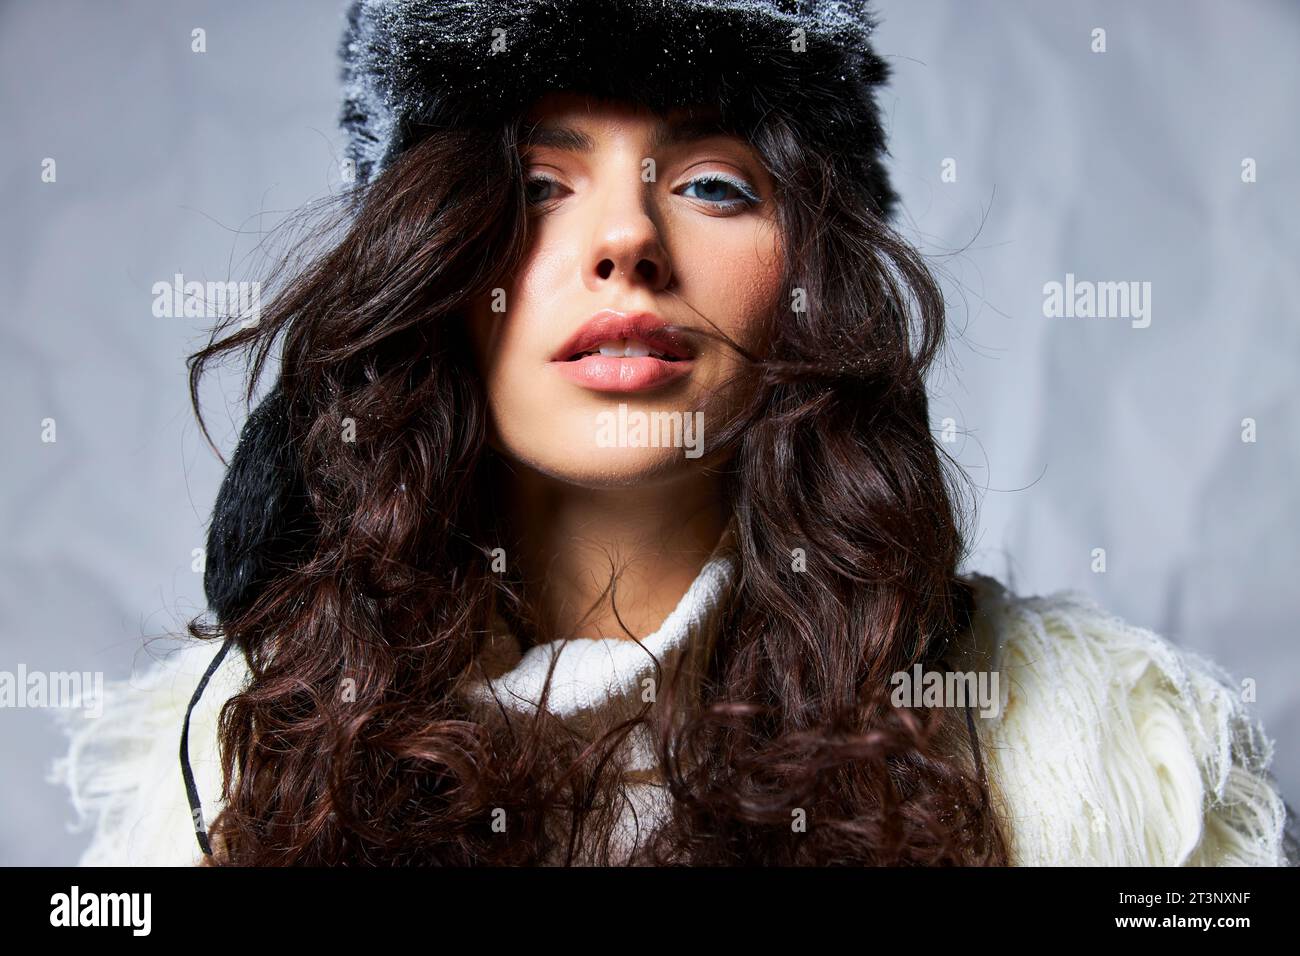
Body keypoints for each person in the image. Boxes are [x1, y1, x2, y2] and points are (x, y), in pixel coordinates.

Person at [48, 0, 1296, 866]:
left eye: (710, 184)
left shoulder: (1106, 759)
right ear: (429, 265)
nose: (627, 239)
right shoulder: (214, 779)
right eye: (538, 187)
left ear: (810, 277)